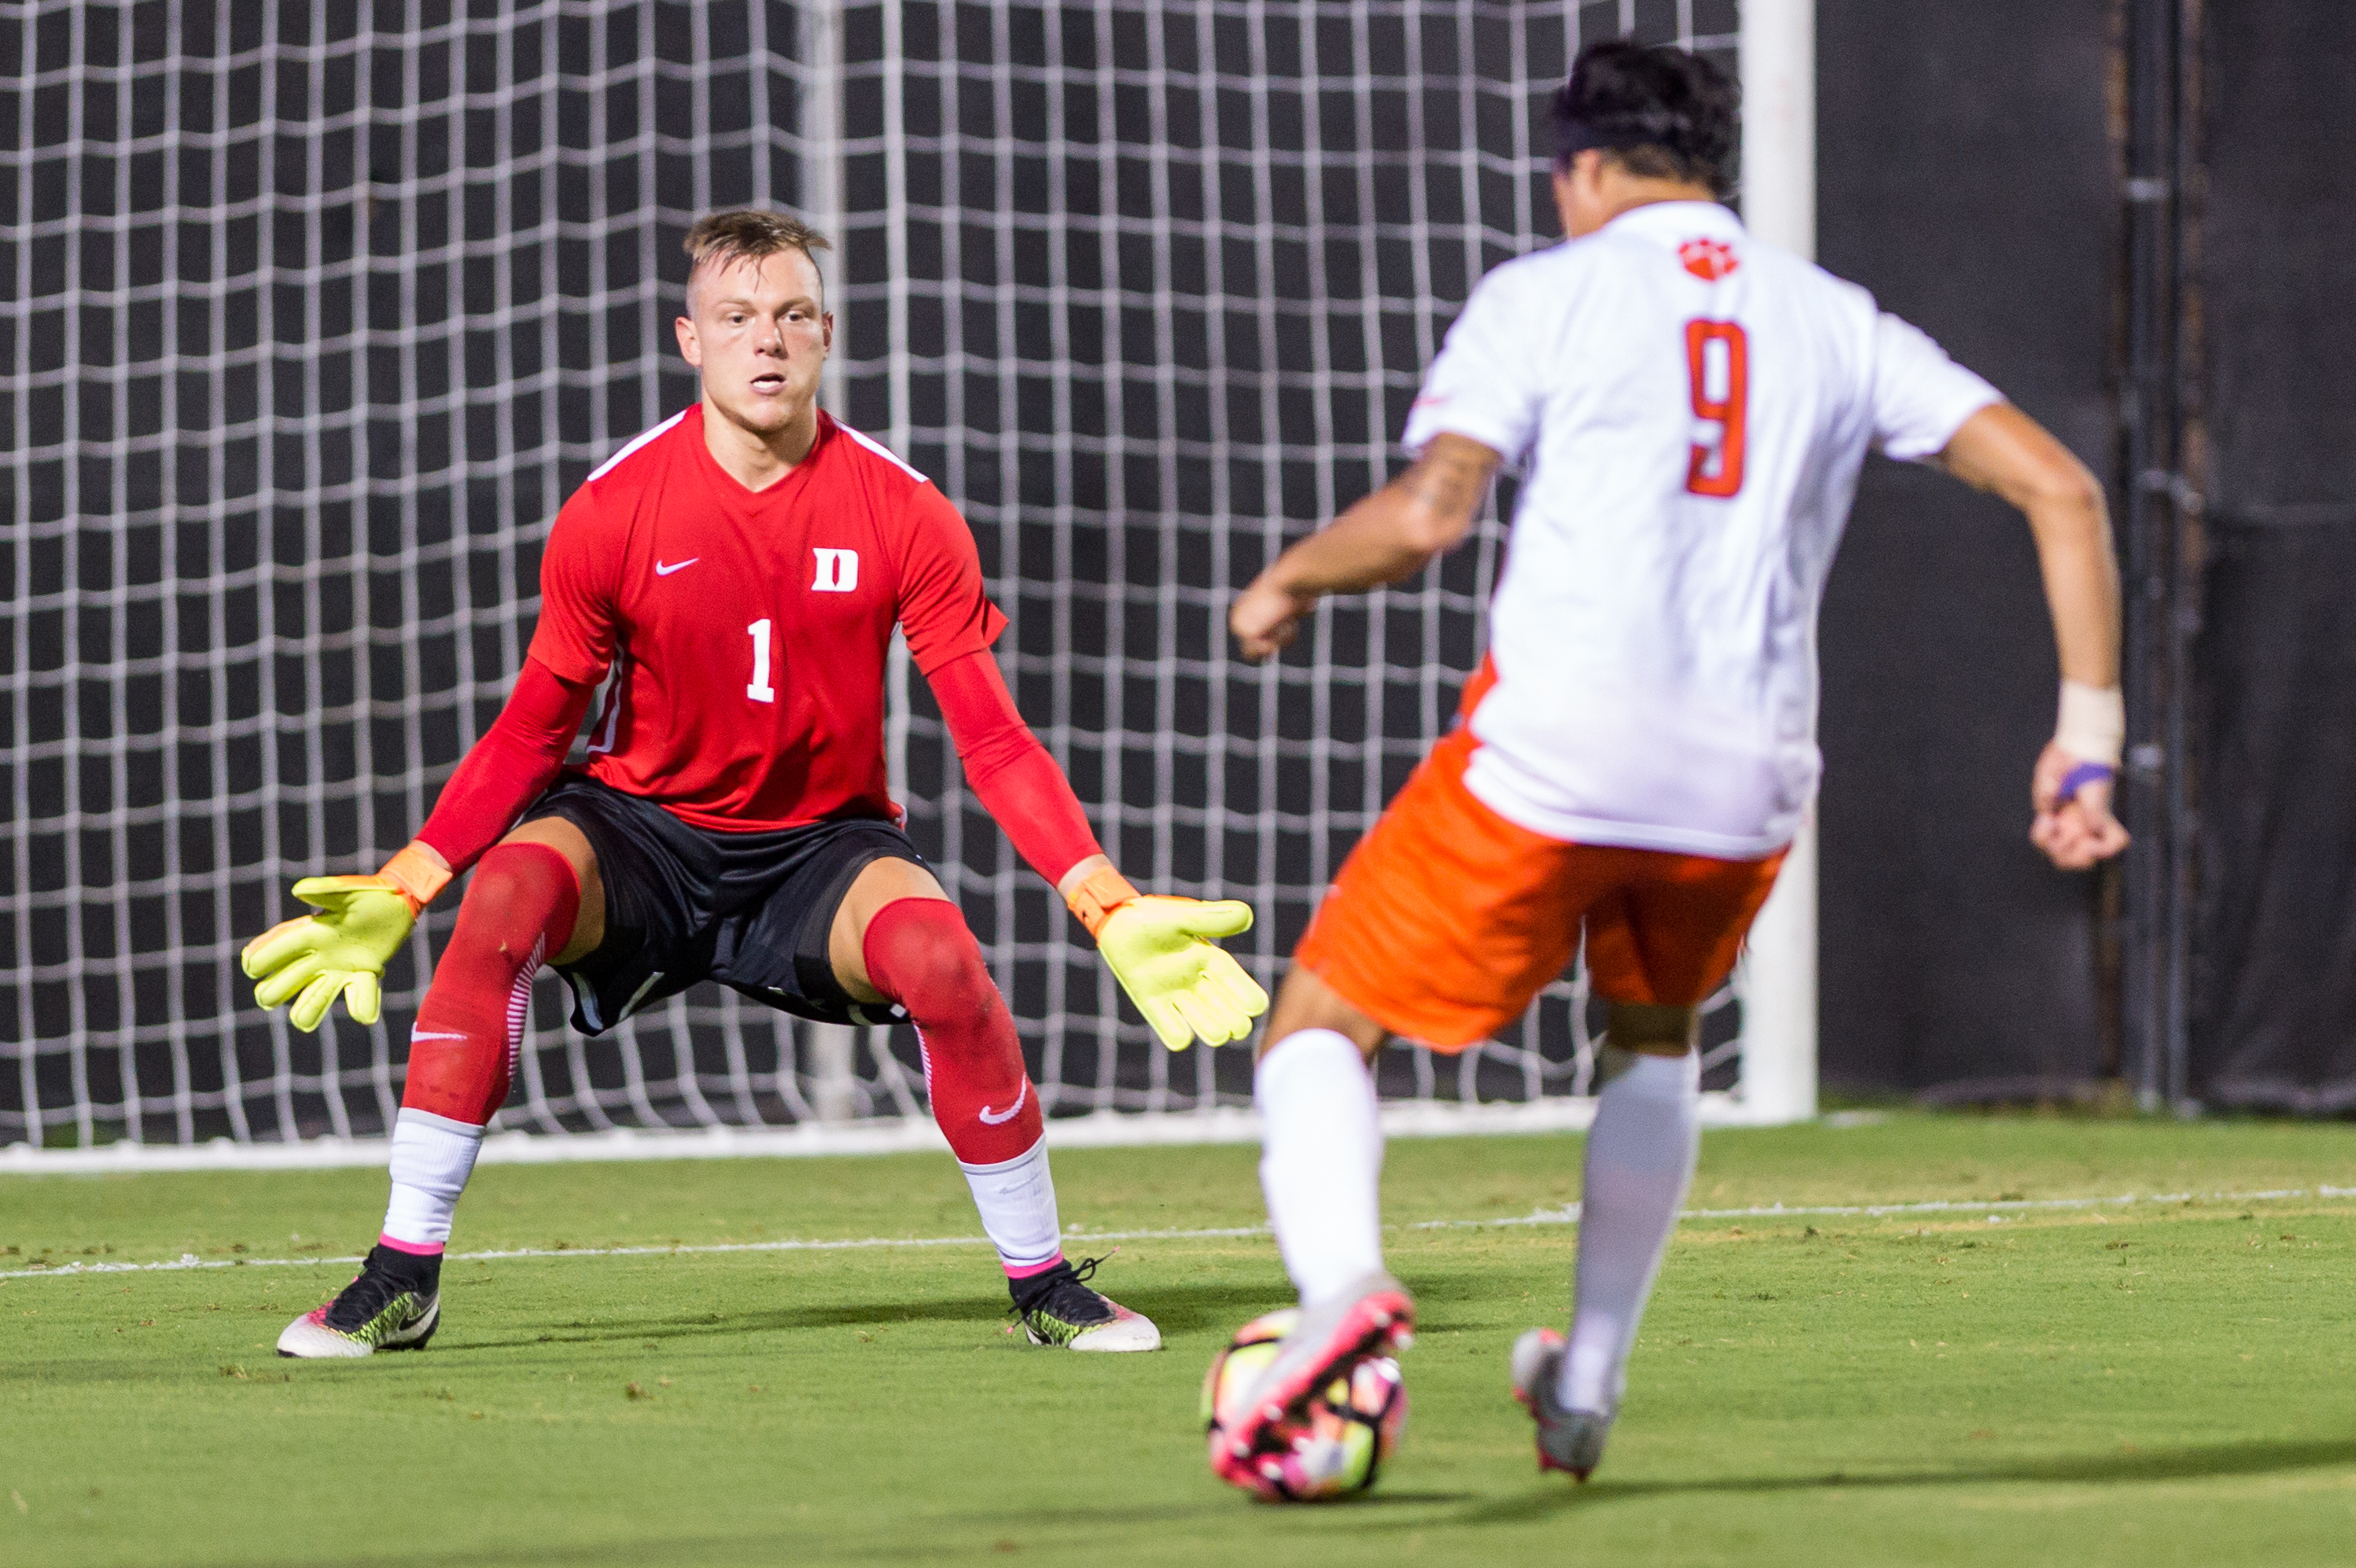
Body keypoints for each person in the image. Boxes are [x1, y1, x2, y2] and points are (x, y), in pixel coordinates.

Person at [1212, 40, 2130, 1494]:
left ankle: (1341, 1297)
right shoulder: (1835, 318)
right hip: (1743, 783)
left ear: (1581, 168)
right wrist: (2084, 743)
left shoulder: (1547, 293)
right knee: (1650, 1037)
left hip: (1555, 761)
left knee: (1317, 1025)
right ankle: (1585, 1380)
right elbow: (2063, 489)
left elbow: (1429, 515)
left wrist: (1288, 583)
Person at [244, 209, 1268, 1360]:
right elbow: (536, 729)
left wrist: (1106, 900)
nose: (765, 341)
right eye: (736, 318)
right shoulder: (613, 509)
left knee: (942, 958)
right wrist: (411, 879)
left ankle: (1044, 1285)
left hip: (820, 852)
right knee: (504, 896)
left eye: (789, 315)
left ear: (827, 334)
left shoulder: (905, 511)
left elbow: (994, 738)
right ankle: (402, 1274)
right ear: (691, 339)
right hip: (640, 835)